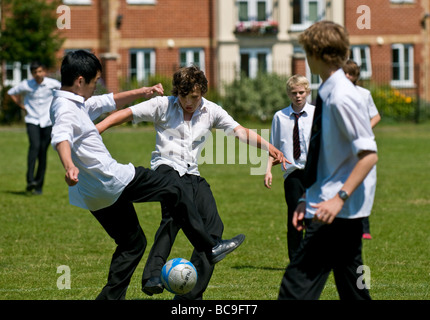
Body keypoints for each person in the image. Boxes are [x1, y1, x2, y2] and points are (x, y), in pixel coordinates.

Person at [50, 50, 247, 300]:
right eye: (95, 81)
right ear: (80, 81)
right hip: (113, 179)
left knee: (133, 245)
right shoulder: (65, 109)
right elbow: (61, 136)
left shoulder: (77, 102)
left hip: (92, 194)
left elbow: (108, 102)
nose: (96, 86)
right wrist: (68, 164)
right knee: (175, 187)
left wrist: (141, 92)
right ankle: (210, 247)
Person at [96, 65, 289, 300]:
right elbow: (127, 114)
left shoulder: (212, 111)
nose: (188, 102)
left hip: (192, 174)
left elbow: (240, 131)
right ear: (177, 92)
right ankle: (152, 276)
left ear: (202, 92)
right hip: (166, 170)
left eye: (194, 97)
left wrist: (269, 148)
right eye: (183, 96)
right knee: (173, 220)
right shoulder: (164, 105)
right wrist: (99, 128)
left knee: (214, 229)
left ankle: (188, 294)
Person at [278, 21, 378, 300]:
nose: (305, 58)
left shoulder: (342, 97)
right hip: (328, 207)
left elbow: (368, 155)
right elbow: (327, 156)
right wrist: (305, 196)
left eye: (307, 52)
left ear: (317, 54)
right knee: (353, 291)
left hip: (334, 212)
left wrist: (339, 198)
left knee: (294, 289)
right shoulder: (328, 91)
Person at [264, 75, 315, 262]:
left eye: (302, 92)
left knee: (313, 218)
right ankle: (296, 260)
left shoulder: (317, 114)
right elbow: (273, 147)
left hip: (313, 173)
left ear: (307, 92)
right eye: (294, 93)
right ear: (288, 94)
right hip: (292, 173)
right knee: (295, 217)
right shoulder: (280, 117)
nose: (298, 96)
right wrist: (268, 169)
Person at [8, 61, 61, 195]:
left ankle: (39, 185)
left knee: (43, 152)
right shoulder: (26, 84)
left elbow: (63, 93)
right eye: (35, 72)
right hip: (32, 120)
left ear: (44, 71)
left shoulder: (53, 84)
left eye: (40, 71)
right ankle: (30, 179)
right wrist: (21, 105)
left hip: (47, 122)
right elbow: (11, 92)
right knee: (34, 146)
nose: (38, 74)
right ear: (32, 73)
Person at [343, 59, 381, 240]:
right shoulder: (337, 94)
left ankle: (365, 226)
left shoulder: (364, 94)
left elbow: (376, 116)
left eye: (350, 73)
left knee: (366, 184)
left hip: (362, 146)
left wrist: (365, 129)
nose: (347, 76)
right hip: (343, 146)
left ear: (356, 76)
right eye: (345, 73)